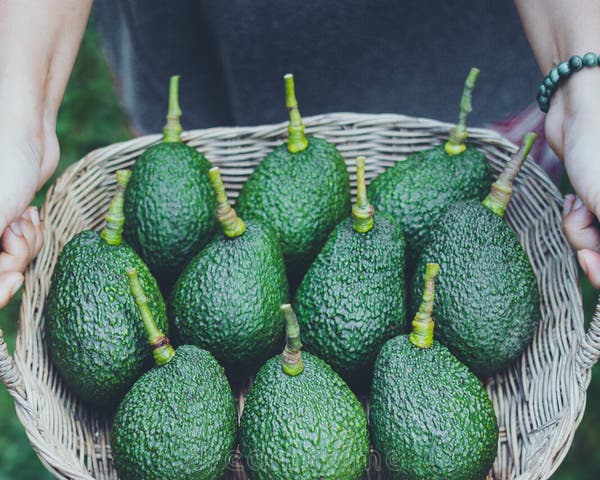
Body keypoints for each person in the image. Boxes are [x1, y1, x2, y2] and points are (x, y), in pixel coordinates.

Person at [1, 0, 600, 310]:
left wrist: (586, 102)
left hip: (459, 60)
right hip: (198, 51)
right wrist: (16, 125)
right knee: (180, 176)